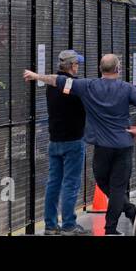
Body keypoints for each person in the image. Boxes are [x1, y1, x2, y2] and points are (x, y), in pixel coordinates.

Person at [24, 53, 136, 236]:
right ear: (118, 69)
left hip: (88, 145)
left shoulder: (87, 86)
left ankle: (52, 224)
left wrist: (36, 76)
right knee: (112, 186)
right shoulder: (125, 88)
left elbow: (55, 80)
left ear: (100, 68)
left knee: (92, 181)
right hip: (116, 144)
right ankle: (109, 223)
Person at [43, 49, 87, 235]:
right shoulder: (75, 87)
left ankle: (50, 225)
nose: (78, 67)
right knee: (71, 183)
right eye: (76, 64)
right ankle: (69, 224)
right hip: (73, 141)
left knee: (53, 183)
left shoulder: (51, 85)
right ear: (70, 65)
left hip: (54, 140)